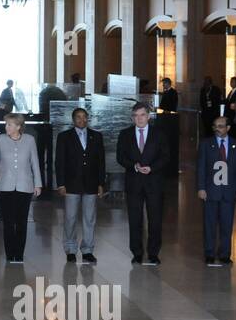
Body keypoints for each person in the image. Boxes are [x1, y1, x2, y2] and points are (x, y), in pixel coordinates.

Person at [116, 102, 172, 265]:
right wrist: (133, 166)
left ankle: (153, 253)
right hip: (134, 183)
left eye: (142, 115)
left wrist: (152, 168)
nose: (139, 119)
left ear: (148, 116)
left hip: (154, 183)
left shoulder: (159, 134)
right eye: (136, 115)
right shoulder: (125, 134)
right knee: (135, 219)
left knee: (155, 219)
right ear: (132, 118)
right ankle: (137, 253)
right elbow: (121, 157)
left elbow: (166, 156)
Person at [0, 113, 42, 264]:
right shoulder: (0, 140)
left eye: (9, 125)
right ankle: (9, 253)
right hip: (5, 186)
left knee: (21, 221)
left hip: (25, 187)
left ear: (18, 126)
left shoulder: (30, 140)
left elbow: (35, 163)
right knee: (8, 222)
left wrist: (38, 183)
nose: (6, 127)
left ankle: (19, 254)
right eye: (6, 124)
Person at [55, 107, 105, 264]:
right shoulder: (64, 137)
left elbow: (101, 162)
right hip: (71, 184)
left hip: (91, 183)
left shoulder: (96, 136)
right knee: (70, 218)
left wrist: (101, 183)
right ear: (73, 119)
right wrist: (61, 183)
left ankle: (88, 250)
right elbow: (60, 161)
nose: (81, 120)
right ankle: (70, 249)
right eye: (78, 117)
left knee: (89, 219)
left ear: (87, 119)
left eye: (84, 117)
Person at [196, 115, 236, 266]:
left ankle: (225, 254)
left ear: (228, 128)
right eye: (215, 126)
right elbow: (201, 168)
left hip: (229, 192)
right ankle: (209, 253)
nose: (217, 129)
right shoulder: (206, 144)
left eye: (221, 126)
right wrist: (201, 188)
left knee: (227, 224)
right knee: (209, 224)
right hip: (211, 191)